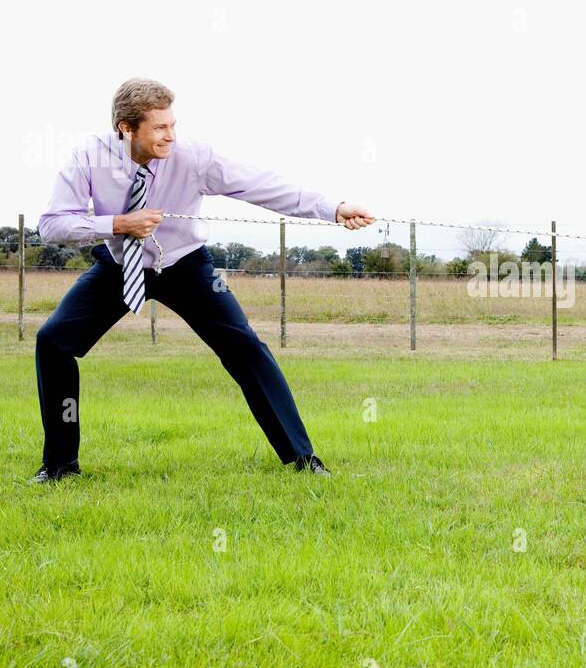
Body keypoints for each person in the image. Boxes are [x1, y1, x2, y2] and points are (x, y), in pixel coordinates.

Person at [32, 77, 374, 482]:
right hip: (118, 264)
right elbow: (51, 225)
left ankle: (303, 460)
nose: (170, 136)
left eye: (173, 125)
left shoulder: (193, 158)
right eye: (160, 127)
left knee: (246, 347)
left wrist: (333, 208)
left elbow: (263, 186)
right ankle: (59, 467)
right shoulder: (89, 157)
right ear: (126, 128)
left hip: (186, 266)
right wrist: (119, 223)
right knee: (53, 342)